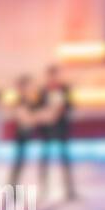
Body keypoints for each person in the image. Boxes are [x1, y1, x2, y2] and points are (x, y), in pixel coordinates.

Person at [39, 64, 76, 200]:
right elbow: (38, 109)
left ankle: (69, 190)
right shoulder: (43, 91)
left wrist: (60, 111)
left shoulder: (64, 89)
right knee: (45, 160)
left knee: (65, 160)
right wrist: (46, 116)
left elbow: (70, 106)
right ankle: (44, 189)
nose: (53, 78)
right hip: (47, 130)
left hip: (61, 129)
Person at [8, 75, 38, 188]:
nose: (31, 88)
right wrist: (36, 117)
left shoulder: (28, 101)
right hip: (22, 134)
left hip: (26, 134)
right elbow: (24, 118)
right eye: (28, 86)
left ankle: (13, 186)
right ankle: (13, 187)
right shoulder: (21, 101)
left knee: (20, 163)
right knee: (19, 163)